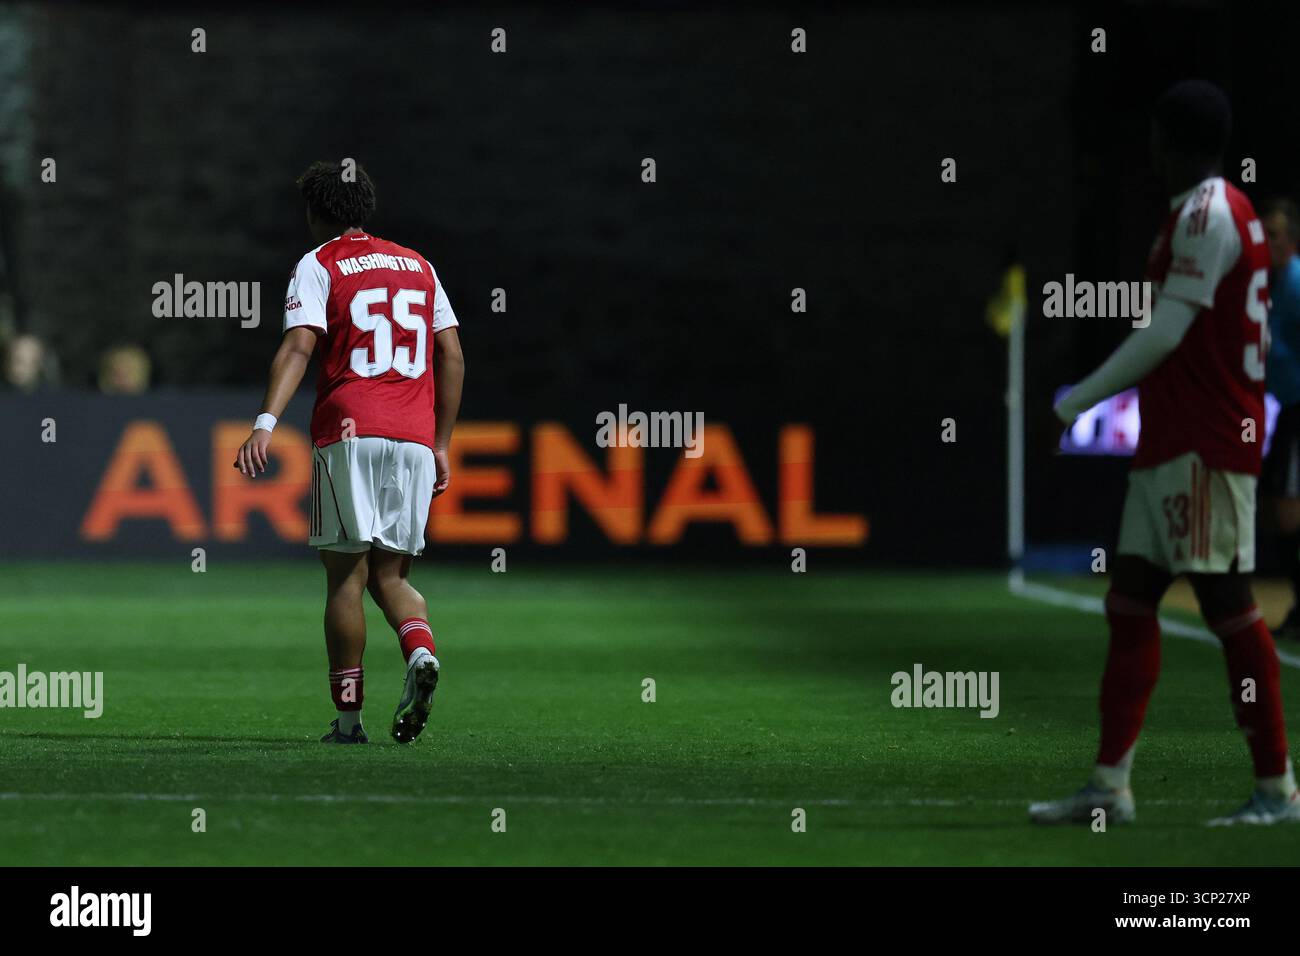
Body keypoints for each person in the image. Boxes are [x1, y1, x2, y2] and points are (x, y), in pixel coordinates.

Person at [1033, 80, 1296, 825]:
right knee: (1130, 603)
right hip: (1174, 439)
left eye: (1152, 137)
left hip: (1207, 442)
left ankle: (1277, 789)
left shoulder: (1209, 213)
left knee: (1227, 605)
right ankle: (1110, 786)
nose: (1146, 151)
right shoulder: (1202, 212)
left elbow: (1164, 333)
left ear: (1169, 141)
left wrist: (1074, 400)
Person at [234, 160, 466, 745]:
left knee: (345, 576)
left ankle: (348, 721)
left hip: (350, 432)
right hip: (414, 435)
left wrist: (265, 422)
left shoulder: (319, 264)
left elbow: (297, 347)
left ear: (315, 213)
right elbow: (453, 356)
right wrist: (441, 442)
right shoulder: (419, 264)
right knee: (391, 574)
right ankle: (419, 652)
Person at [1259, 198, 1300, 637]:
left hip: (1298, 409)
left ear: (1292, 240)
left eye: (1273, 233)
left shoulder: (1295, 283)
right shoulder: (1272, 285)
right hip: (1287, 408)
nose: (1265, 241)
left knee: (1286, 512)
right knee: (1278, 509)